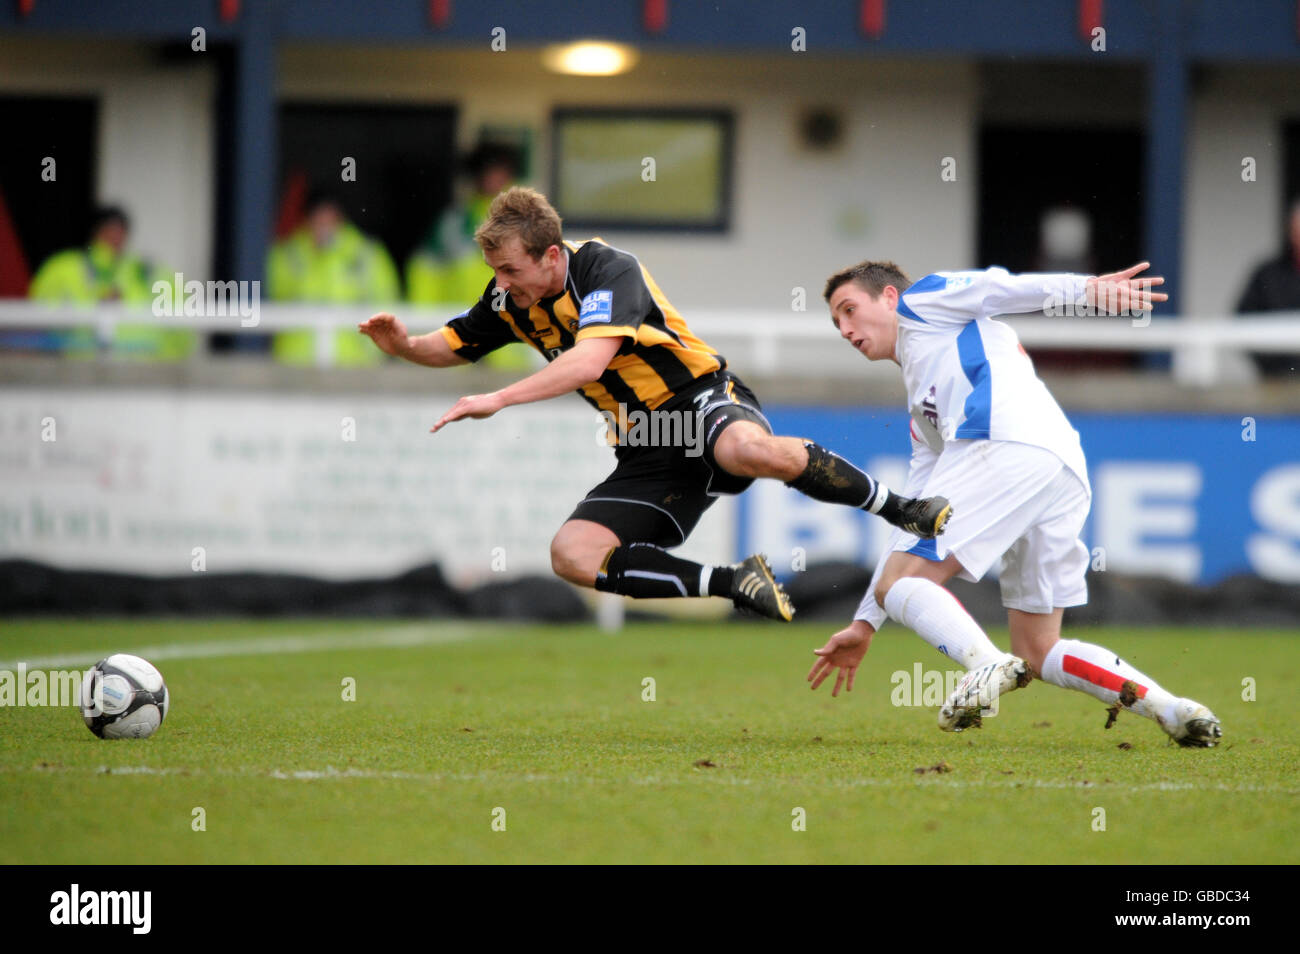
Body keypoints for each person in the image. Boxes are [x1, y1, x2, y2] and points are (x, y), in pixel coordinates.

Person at [358, 186, 952, 620]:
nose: (502, 283)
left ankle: (902, 509)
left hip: (699, 399)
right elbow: (454, 344)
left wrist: (499, 398)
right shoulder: (510, 299)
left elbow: (588, 362)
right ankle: (732, 581)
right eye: (495, 272)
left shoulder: (606, 269)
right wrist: (404, 345)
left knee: (746, 448)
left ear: (551, 254)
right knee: (572, 554)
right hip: (647, 449)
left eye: (510, 269)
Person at [806, 259, 1223, 747]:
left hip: (1005, 444)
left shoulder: (923, 303)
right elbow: (913, 518)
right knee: (1038, 649)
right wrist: (865, 622)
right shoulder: (923, 412)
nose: (845, 329)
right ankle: (1172, 710)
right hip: (1060, 466)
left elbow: (999, 288)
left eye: (850, 310)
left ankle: (984, 664)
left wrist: (1087, 291)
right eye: (837, 322)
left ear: (891, 298)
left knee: (903, 582)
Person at [406, 142, 533, 371]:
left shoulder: (529, 221)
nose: (495, 179)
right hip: (464, 334)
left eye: (501, 172)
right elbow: (425, 273)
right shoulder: (455, 222)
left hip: (510, 348)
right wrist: (426, 329)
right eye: (489, 172)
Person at [26, 205, 191, 360]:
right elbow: (38, 322)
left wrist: (166, 366)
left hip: (145, 371)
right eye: (109, 229)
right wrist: (96, 308)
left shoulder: (147, 269)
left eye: (120, 230)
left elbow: (183, 325)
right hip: (82, 369)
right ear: (96, 231)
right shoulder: (64, 267)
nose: (115, 237)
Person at [268, 189, 400, 366]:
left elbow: (388, 305)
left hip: (356, 365)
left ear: (341, 218)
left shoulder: (368, 254)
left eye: (329, 217)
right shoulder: (287, 254)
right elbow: (275, 299)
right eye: (318, 217)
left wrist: (374, 354)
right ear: (307, 219)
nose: (324, 224)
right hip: (296, 365)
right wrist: (317, 257)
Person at [1235, 196, 1300, 376]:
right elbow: (1242, 320)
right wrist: (1274, 367)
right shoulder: (1268, 274)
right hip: (1277, 381)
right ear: (1291, 232)